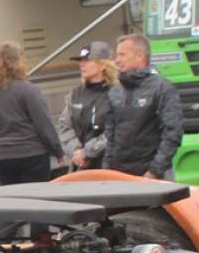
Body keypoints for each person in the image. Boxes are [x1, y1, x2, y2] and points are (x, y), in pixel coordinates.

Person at [0, 41, 65, 185]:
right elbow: (43, 124)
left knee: (12, 203)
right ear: (18, 63)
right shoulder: (29, 90)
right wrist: (57, 150)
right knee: (37, 200)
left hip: (2, 157)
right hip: (33, 154)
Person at [105, 33, 184, 179]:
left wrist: (155, 171)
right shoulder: (115, 92)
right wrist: (108, 169)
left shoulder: (163, 88)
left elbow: (172, 133)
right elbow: (110, 135)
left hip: (153, 175)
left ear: (140, 56)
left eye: (122, 55)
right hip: (119, 175)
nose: (117, 60)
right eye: (117, 55)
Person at [58, 41, 116, 172]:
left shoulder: (117, 93)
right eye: (80, 61)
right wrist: (76, 150)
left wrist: (89, 152)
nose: (82, 64)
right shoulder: (75, 94)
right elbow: (64, 126)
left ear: (102, 65)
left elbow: (118, 130)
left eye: (87, 60)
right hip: (81, 166)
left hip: (110, 165)